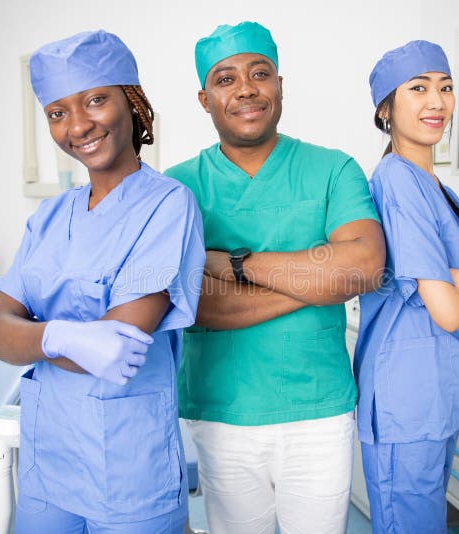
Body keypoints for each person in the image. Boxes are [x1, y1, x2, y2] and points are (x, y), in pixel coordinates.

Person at [164, 21, 386, 534]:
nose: (245, 88)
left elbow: (365, 267)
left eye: (259, 73)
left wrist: (235, 266)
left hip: (319, 410)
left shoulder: (332, 169)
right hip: (223, 410)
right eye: (225, 79)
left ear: (279, 85)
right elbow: (192, 304)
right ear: (204, 98)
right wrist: (319, 280)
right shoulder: (176, 188)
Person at [0, 30, 205, 534]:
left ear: (131, 100)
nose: (78, 125)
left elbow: (119, 345)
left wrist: (34, 333)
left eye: (95, 100)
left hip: (128, 463)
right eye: (57, 112)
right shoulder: (48, 215)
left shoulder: (169, 206)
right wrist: (65, 337)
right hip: (47, 458)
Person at [354, 40, 459, 533]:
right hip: (407, 396)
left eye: (444, 87)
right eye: (418, 89)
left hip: (439, 394)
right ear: (386, 108)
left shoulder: (444, 191)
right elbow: (450, 313)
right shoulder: (396, 181)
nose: (436, 102)